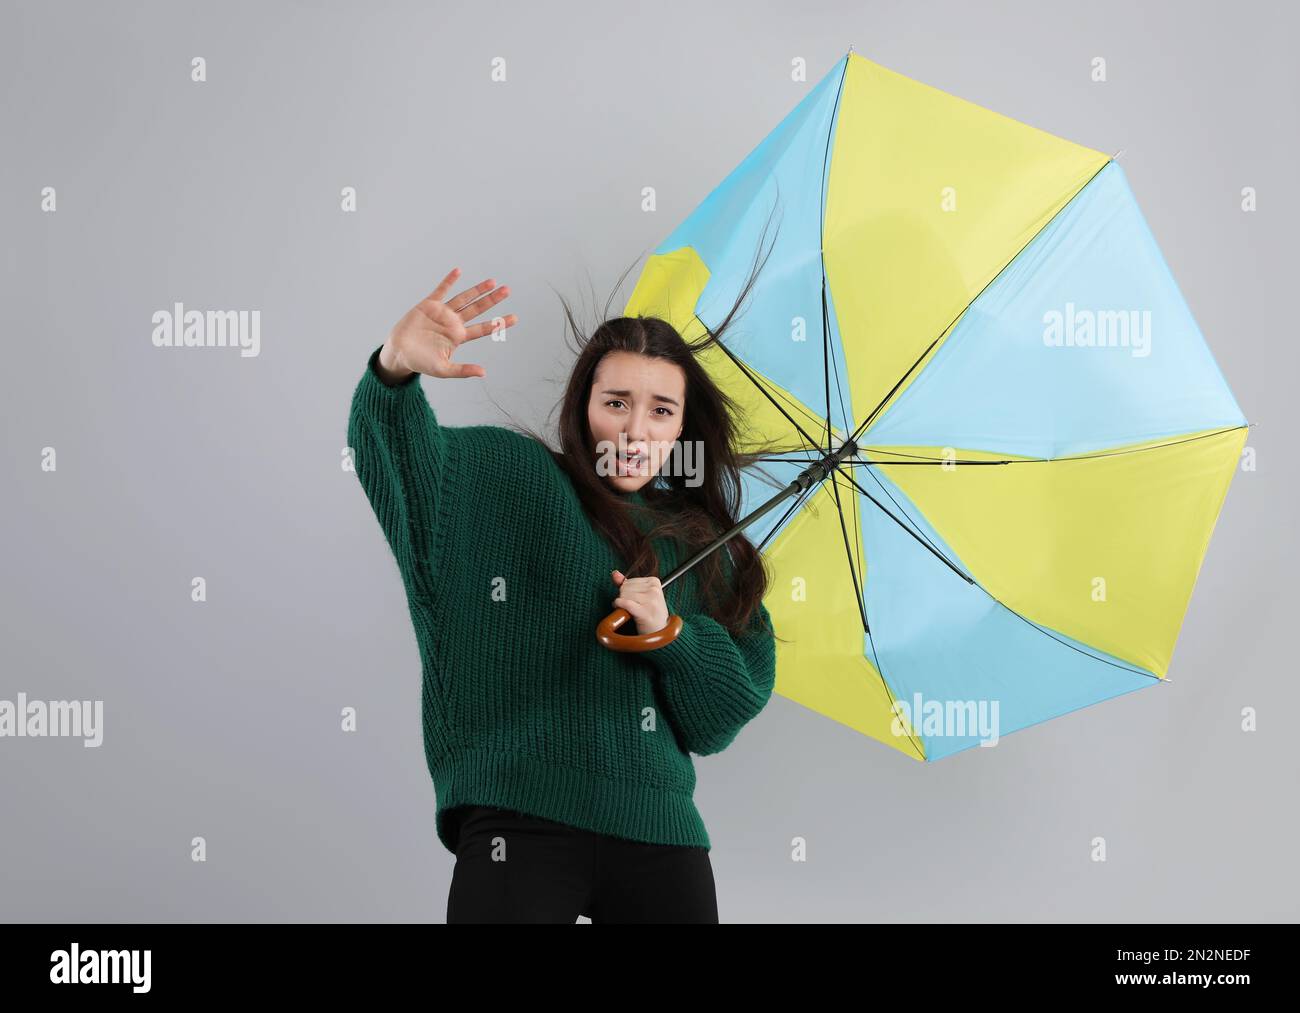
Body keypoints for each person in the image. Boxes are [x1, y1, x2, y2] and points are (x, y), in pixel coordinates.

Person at [346, 238, 787, 923]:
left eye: (661, 411)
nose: (635, 429)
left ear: (682, 426)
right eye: (616, 401)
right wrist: (395, 371)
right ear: (584, 403)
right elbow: (408, 471)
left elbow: (719, 719)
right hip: (519, 817)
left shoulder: (706, 547)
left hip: (658, 830)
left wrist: (669, 634)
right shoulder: (515, 479)